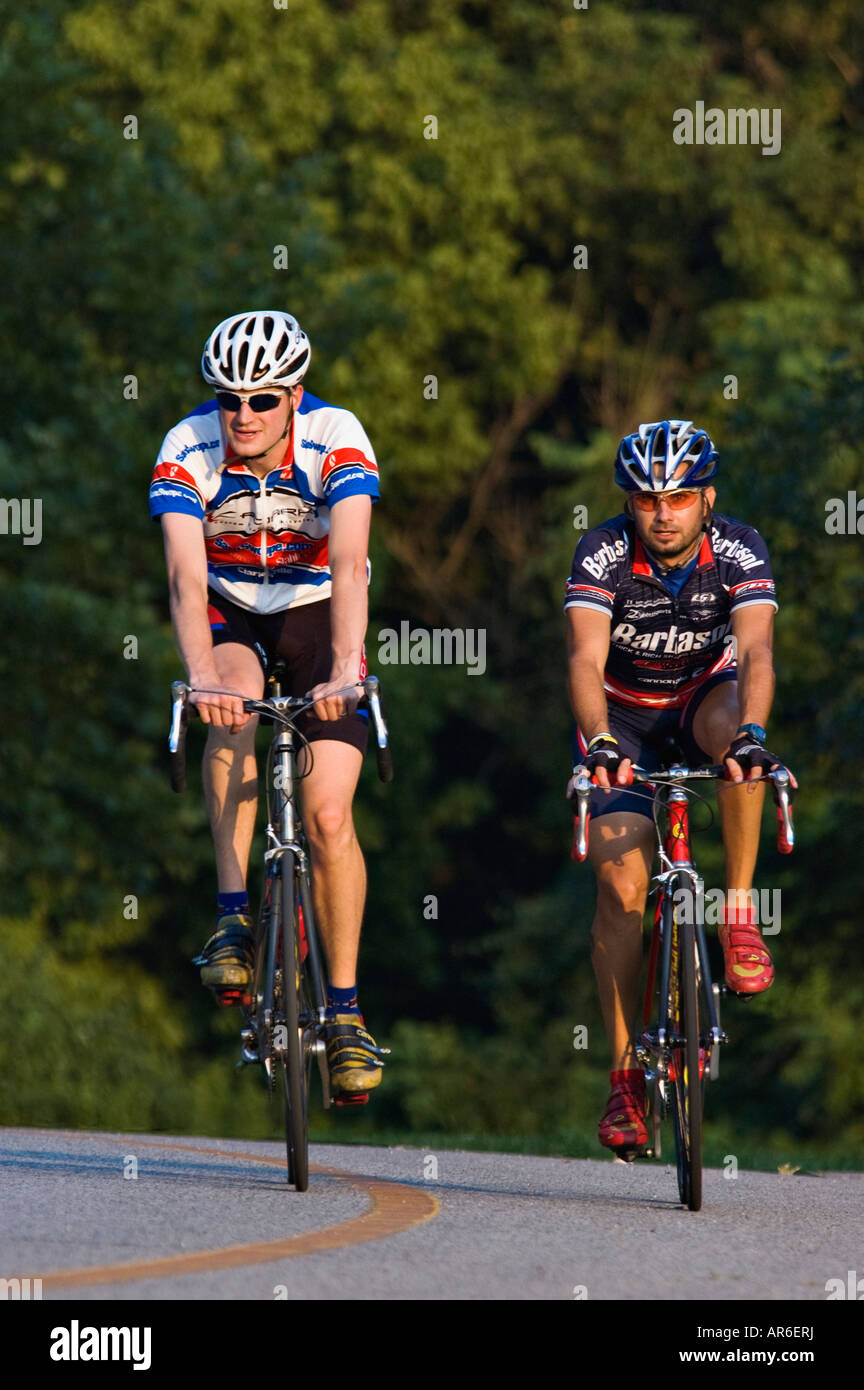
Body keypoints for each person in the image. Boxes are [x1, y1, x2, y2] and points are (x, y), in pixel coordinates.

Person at [149, 309, 387, 1103]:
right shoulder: (187, 448)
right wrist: (198, 676)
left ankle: (346, 1015)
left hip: (319, 613)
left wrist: (347, 669)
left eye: (261, 400)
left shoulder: (338, 435)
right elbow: (185, 577)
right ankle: (231, 913)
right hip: (229, 612)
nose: (243, 416)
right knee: (231, 702)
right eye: (229, 400)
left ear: (294, 396)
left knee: (326, 818)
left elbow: (351, 563)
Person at [564, 419, 789, 1153]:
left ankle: (740, 911)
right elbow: (583, 658)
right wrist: (599, 742)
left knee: (740, 745)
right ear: (629, 503)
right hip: (621, 724)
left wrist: (754, 729)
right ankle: (627, 1074)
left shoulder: (738, 548)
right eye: (647, 499)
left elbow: (756, 648)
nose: (663, 513)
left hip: (702, 704)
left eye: (679, 498)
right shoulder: (600, 553)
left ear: (706, 498)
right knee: (621, 889)